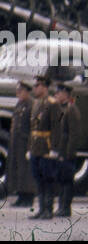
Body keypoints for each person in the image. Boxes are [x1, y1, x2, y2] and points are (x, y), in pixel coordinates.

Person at [27, 74, 56, 220]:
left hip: (46, 146)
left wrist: (53, 149)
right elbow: (32, 128)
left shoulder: (52, 103)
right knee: (38, 178)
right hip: (36, 146)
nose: (35, 88)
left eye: (37, 86)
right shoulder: (36, 103)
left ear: (44, 87)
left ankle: (48, 209)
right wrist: (29, 148)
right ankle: (41, 208)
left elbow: (56, 127)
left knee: (47, 178)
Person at [51, 83, 81, 218]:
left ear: (65, 94)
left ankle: (66, 207)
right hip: (59, 149)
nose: (56, 95)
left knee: (67, 180)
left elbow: (74, 134)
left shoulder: (71, 109)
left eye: (59, 93)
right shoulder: (59, 109)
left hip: (66, 151)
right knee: (61, 179)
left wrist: (69, 153)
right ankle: (61, 205)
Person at [9, 80, 36, 208]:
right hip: (17, 142)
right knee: (19, 169)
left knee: (26, 170)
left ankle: (28, 196)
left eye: (20, 91)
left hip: (25, 142)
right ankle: (21, 195)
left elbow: (32, 126)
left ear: (27, 92)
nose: (18, 93)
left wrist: (30, 145)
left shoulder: (31, 105)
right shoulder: (20, 104)